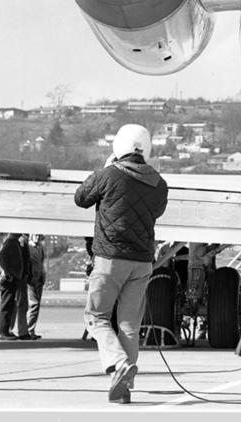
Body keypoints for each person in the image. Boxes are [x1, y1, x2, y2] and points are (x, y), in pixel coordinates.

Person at [75, 124, 168, 404]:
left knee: (97, 317)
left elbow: (81, 198)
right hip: (141, 264)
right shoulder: (159, 184)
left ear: (119, 147)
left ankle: (118, 364)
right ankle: (124, 387)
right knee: (128, 325)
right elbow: (158, 209)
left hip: (110, 259)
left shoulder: (109, 174)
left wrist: (105, 168)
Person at [0, 232, 32, 340]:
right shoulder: (11, 242)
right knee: (7, 305)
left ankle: (6, 330)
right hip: (10, 279)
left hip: (14, 278)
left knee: (10, 305)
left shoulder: (14, 242)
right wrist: (8, 272)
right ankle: (2, 332)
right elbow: (0, 257)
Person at [26, 233, 47, 339]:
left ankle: (31, 329)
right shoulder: (28, 247)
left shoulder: (40, 247)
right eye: (36, 235)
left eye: (39, 235)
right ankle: (29, 329)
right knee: (34, 304)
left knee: (36, 305)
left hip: (39, 279)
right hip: (31, 279)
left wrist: (43, 276)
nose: (37, 237)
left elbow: (41, 263)